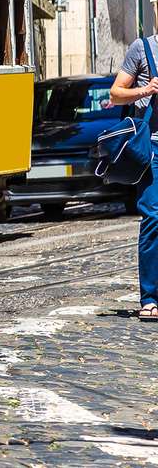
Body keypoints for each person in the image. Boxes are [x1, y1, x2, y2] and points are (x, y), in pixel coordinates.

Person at [109, 35, 158, 321]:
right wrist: (146, 90)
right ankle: (150, 297)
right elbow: (115, 94)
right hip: (153, 147)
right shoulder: (143, 48)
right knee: (153, 216)